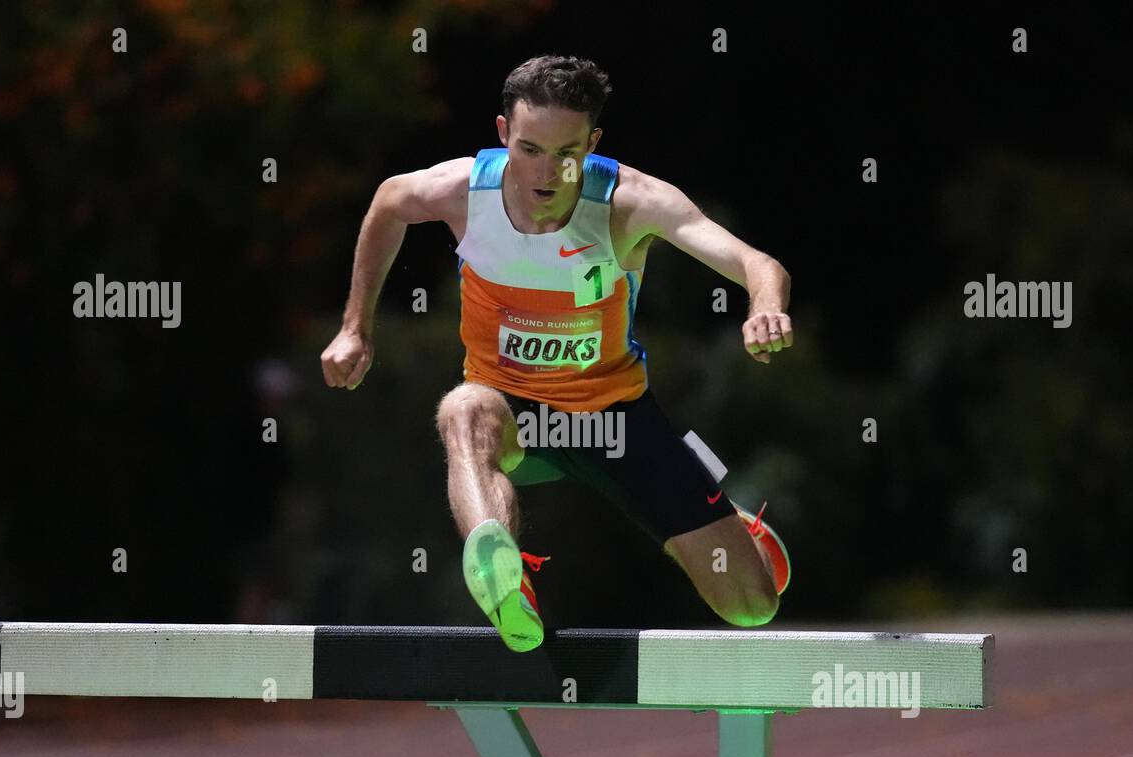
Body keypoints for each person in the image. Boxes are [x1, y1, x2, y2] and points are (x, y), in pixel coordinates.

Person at [322, 55, 792, 651]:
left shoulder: (632, 203)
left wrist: (765, 305)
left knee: (751, 608)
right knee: (462, 411)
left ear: (593, 144)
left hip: (613, 420)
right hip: (512, 412)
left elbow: (757, 264)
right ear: (502, 135)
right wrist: (355, 327)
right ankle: (505, 580)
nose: (545, 172)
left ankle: (737, 526)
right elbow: (389, 202)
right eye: (529, 149)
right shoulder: (465, 192)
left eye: (566, 154)